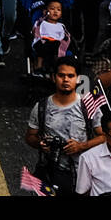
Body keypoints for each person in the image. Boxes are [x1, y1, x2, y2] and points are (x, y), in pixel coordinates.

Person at [24, 56, 104, 196]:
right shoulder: (42, 107)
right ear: (53, 78)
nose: (66, 79)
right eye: (61, 75)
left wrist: (81, 146)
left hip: (82, 176)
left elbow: (105, 136)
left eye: (70, 76)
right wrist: (40, 143)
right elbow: (30, 136)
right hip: (50, 173)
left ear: (78, 79)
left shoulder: (87, 104)